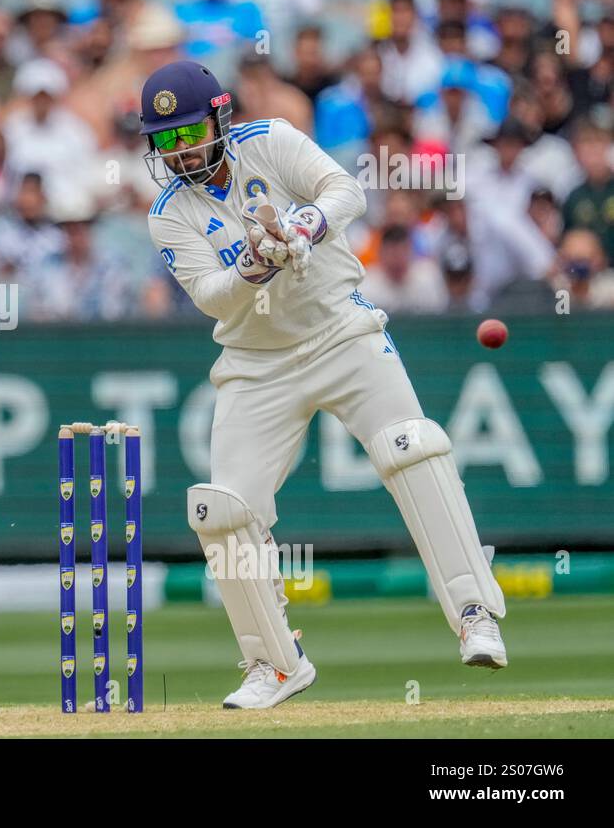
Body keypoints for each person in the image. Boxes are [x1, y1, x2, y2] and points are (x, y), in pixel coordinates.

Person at [139, 60, 507, 709]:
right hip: (256, 365)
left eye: (187, 133)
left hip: (342, 330)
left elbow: (345, 191)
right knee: (222, 510)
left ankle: (475, 614)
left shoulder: (271, 141)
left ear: (219, 119)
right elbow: (214, 299)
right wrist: (256, 262)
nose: (178, 151)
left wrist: (303, 226)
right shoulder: (169, 214)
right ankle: (273, 663)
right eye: (163, 141)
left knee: (411, 446)